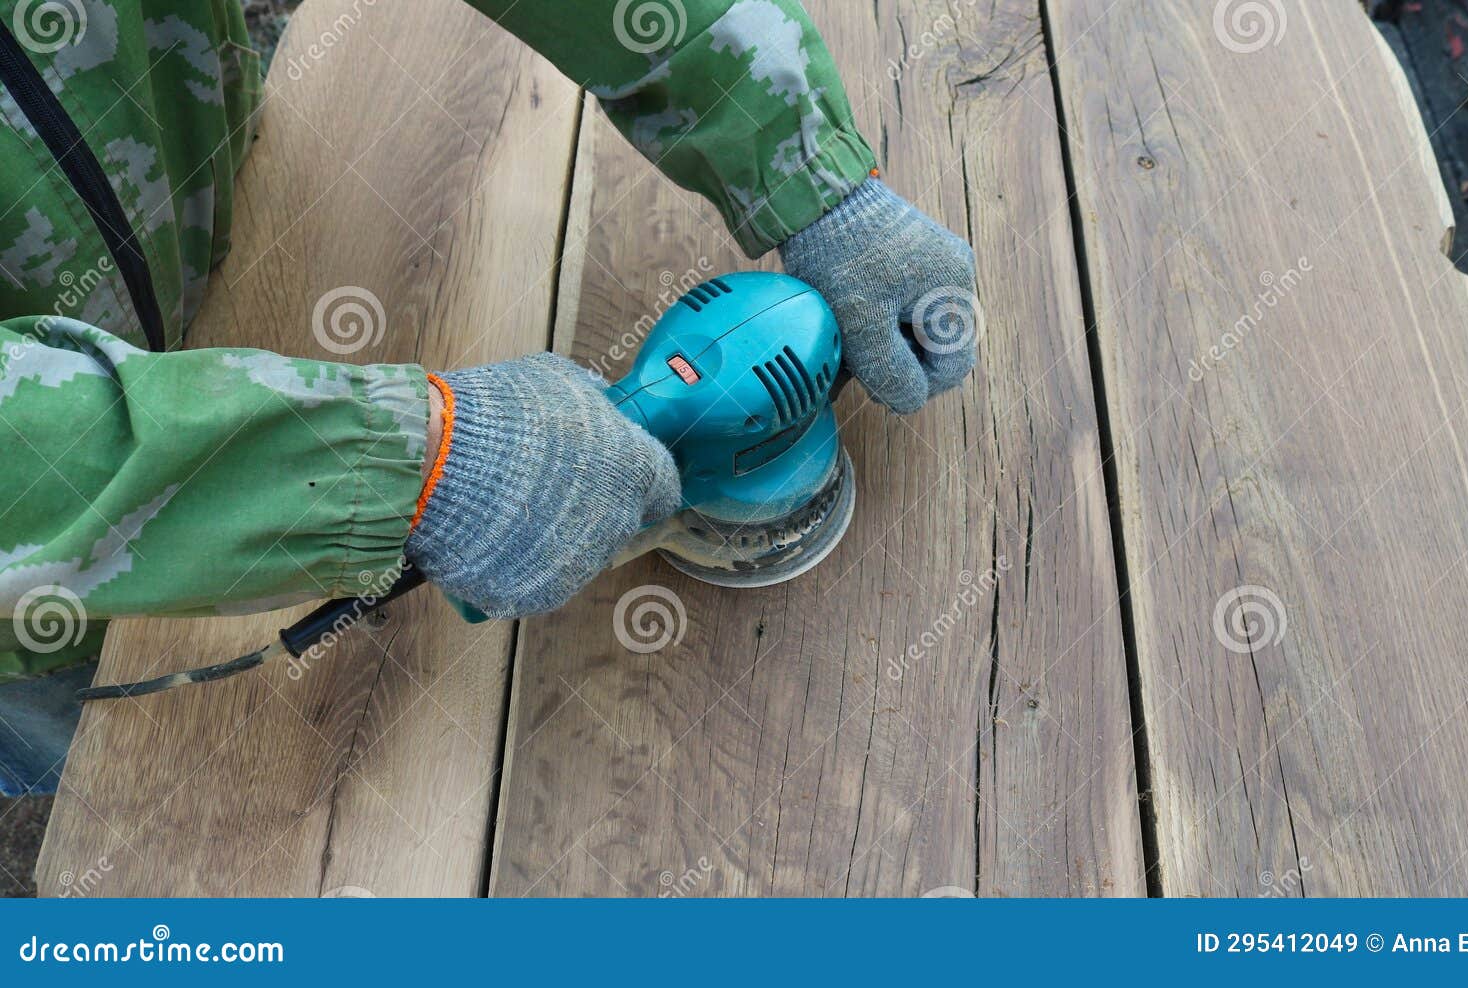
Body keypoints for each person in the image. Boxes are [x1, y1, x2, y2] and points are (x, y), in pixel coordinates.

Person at [0, 0, 978, 796]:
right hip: (47, 578)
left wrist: (800, 154)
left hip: (215, 193)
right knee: (115, 742)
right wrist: (398, 465)